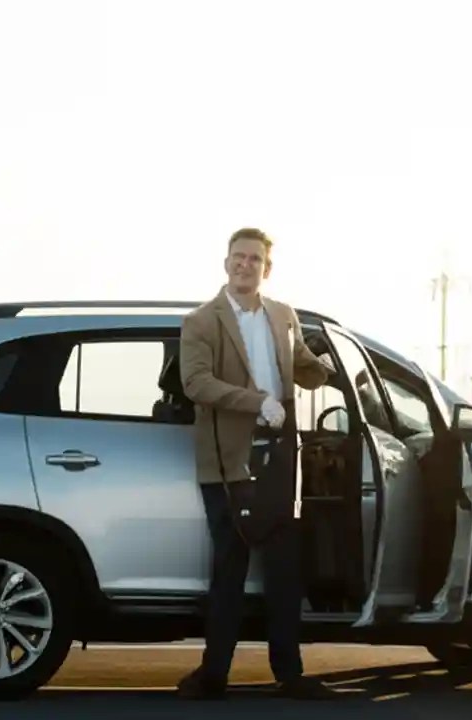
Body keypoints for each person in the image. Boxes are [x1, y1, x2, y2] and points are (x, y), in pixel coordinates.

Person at [175, 227, 339, 701]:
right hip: (229, 462)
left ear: (268, 268)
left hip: (281, 457)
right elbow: (196, 383)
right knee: (229, 570)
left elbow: (304, 365)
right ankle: (213, 676)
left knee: (285, 573)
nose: (244, 265)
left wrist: (321, 367)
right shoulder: (201, 322)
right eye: (237, 257)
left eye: (253, 259)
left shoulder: (284, 315)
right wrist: (256, 402)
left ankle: (290, 675)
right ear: (225, 263)